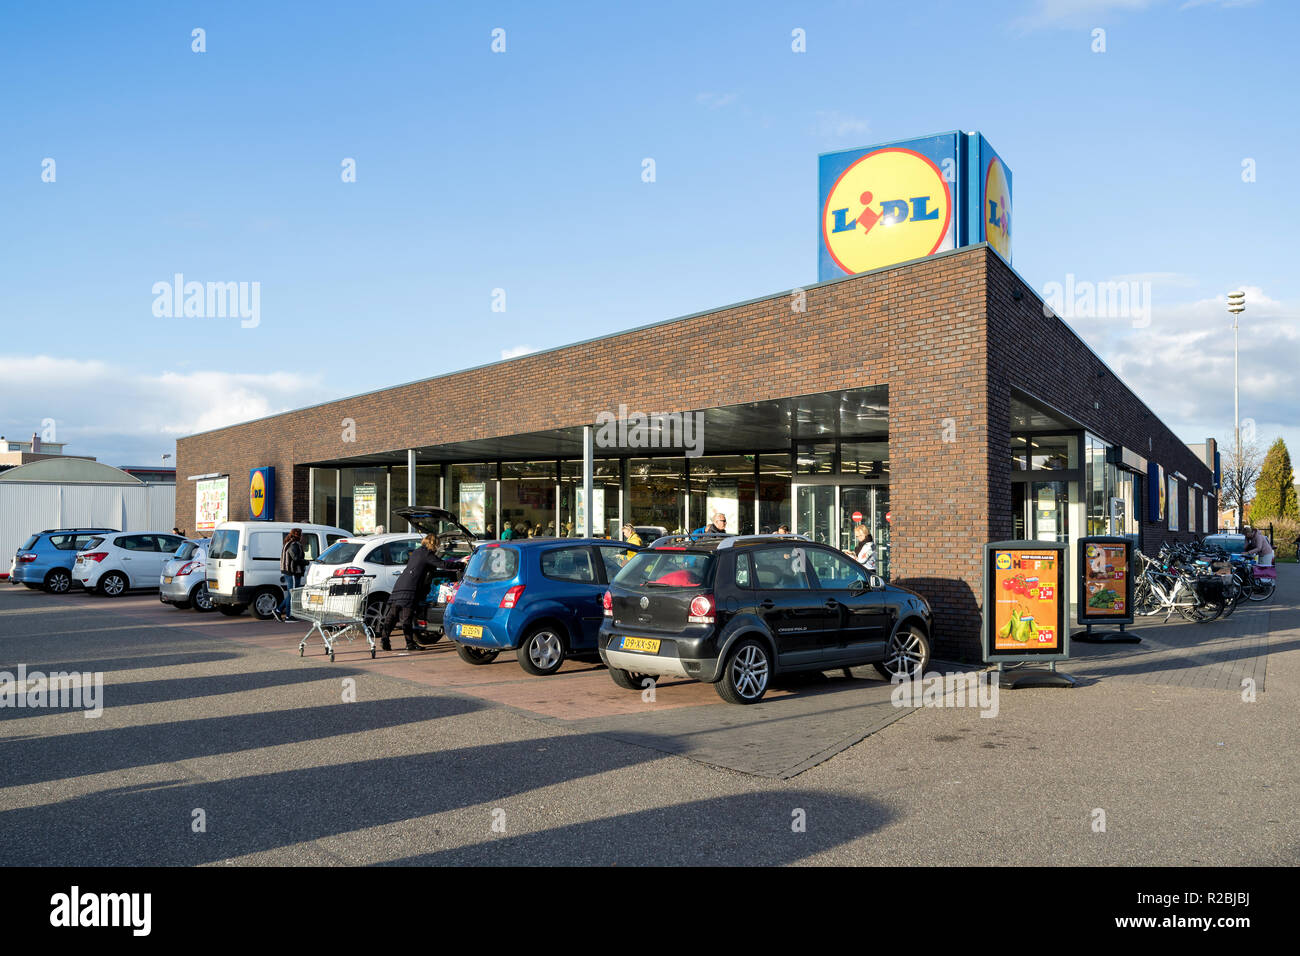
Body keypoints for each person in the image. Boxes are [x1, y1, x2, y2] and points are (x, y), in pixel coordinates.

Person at [379, 533, 463, 651]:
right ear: (433, 544)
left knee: (392, 615)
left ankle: (385, 639)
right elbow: (443, 564)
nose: (438, 547)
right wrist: (461, 564)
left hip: (400, 585)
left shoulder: (418, 551)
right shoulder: (427, 554)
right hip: (410, 587)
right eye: (437, 545)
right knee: (407, 617)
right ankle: (410, 644)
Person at [272, 529, 306, 622]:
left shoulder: (288, 543)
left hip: (289, 571)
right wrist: (305, 562)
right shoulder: (293, 544)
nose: (303, 537)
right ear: (298, 536)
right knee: (293, 594)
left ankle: (278, 610)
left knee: (291, 593)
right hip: (293, 572)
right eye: (301, 535)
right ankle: (288, 616)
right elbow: (295, 558)